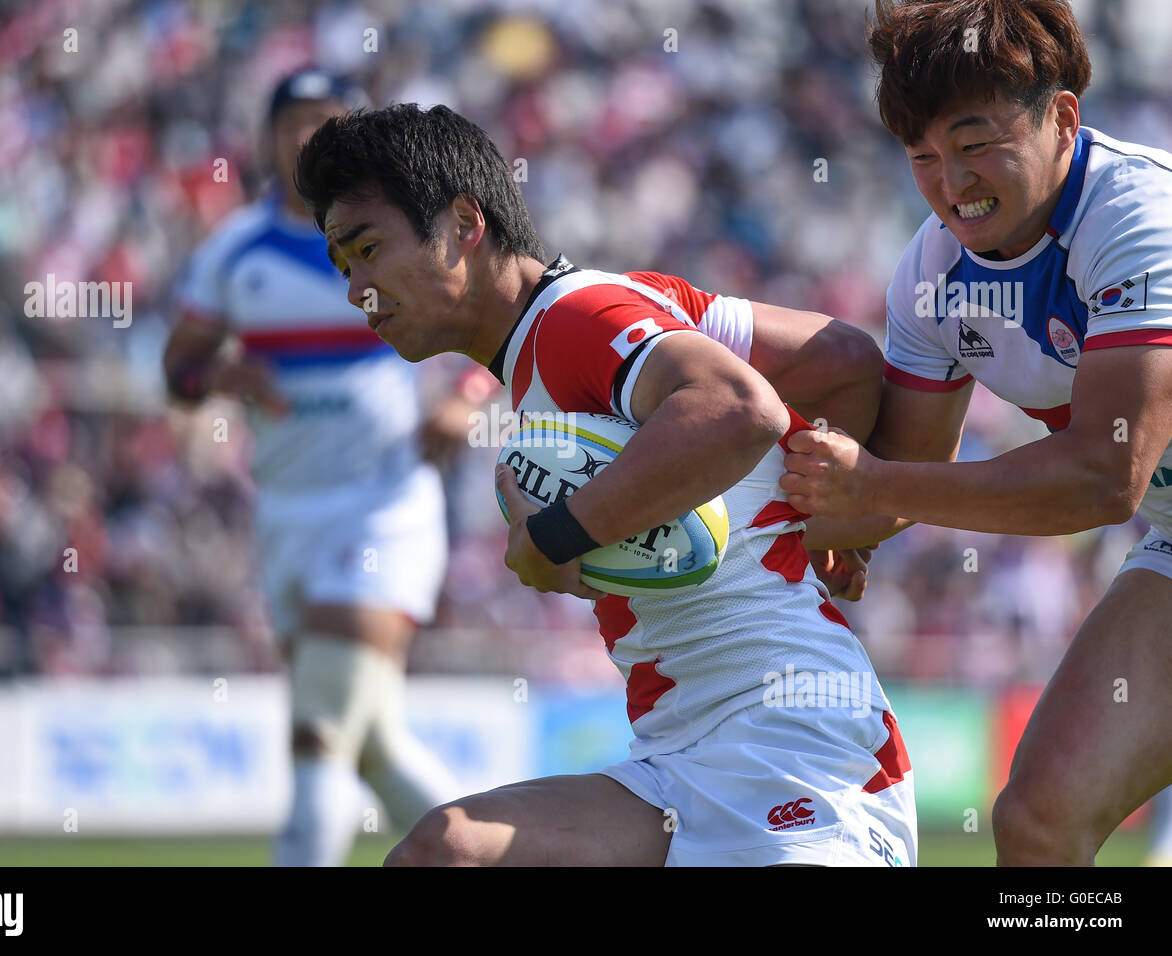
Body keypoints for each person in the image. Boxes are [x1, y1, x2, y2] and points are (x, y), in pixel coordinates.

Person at [296, 101, 913, 866]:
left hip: (802, 751)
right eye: (342, 265)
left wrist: (553, 537)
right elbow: (843, 359)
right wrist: (822, 521)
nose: (358, 288)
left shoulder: (575, 320)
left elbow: (738, 409)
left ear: (462, 221)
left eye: (368, 249)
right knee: (445, 851)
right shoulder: (610, 307)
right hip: (678, 765)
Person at [779, 0, 1172, 865]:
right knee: (1038, 824)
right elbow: (900, 477)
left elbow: (1106, 481)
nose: (950, 184)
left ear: (1062, 118)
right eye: (922, 156)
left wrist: (873, 491)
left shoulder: (1138, 213)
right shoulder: (930, 272)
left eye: (974, 143)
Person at [162, 70, 462, 867]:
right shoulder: (233, 251)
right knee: (370, 743)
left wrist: (464, 401)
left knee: (319, 731)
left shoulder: (399, 237)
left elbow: (489, 316)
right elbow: (178, 370)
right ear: (266, 136)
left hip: (383, 505)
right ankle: (501, 856)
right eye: (292, 121)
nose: (306, 136)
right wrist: (224, 375)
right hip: (286, 512)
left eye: (325, 120)